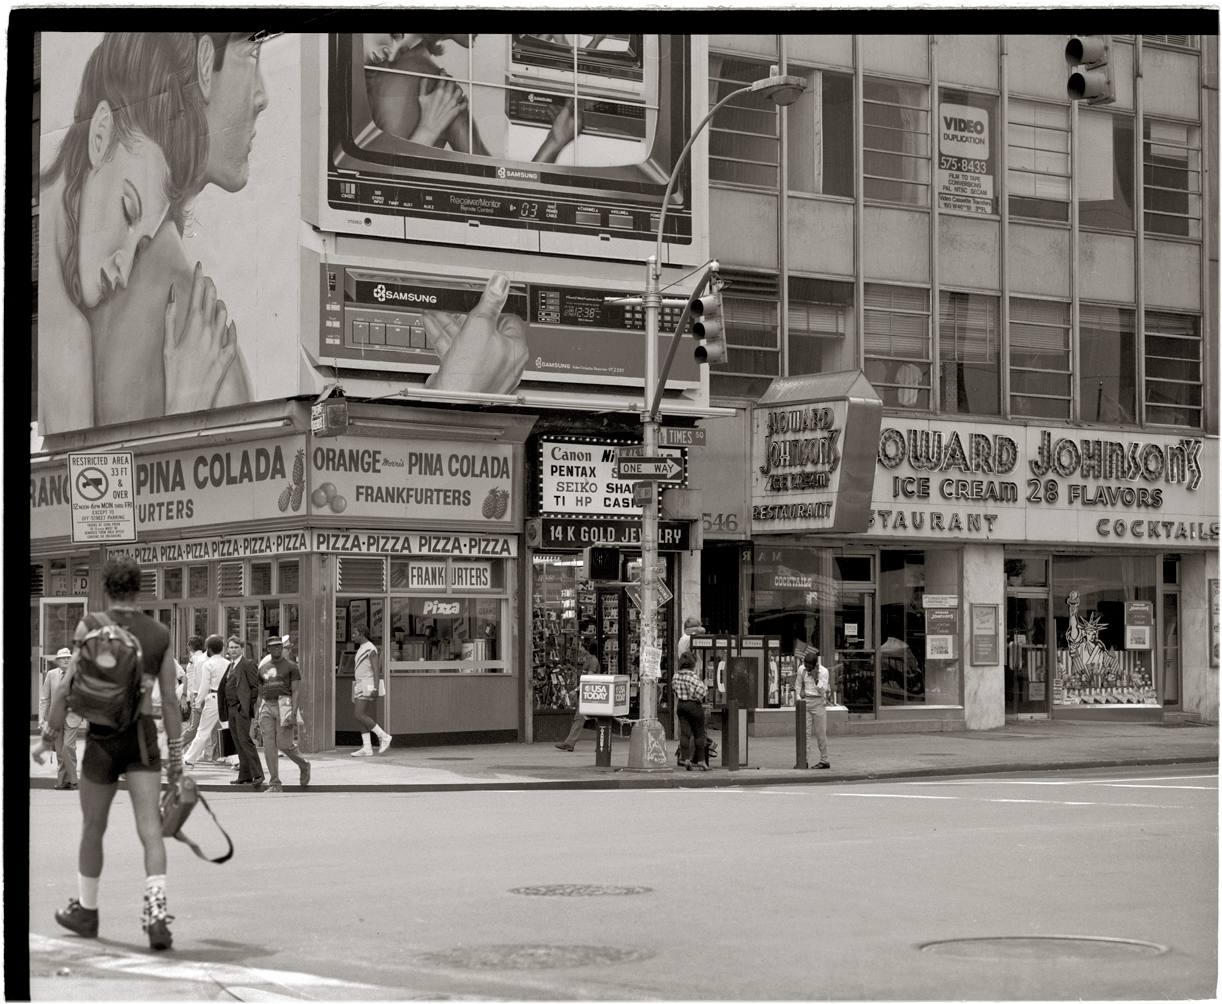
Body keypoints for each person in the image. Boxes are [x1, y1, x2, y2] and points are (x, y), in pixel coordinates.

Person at [83, 31, 267, 430]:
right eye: (253, 52)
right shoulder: (202, 340)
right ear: (204, 65)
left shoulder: (88, 294)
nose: (262, 97)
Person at [38, 32, 212, 434]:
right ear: (99, 135)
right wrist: (185, 409)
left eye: (141, 247)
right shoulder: (68, 342)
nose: (124, 270)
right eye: (127, 209)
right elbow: (90, 496)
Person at [30, 555, 183, 950]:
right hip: (141, 737)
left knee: (92, 828)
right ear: (139, 588)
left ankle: (87, 910)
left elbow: (65, 687)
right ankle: (155, 914)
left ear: (105, 590)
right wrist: (177, 760)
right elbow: (169, 702)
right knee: (151, 830)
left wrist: (48, 736)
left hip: (99, 739)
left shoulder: (90, 626)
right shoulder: (158, 633)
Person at [256, 636, 310, 792]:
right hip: (267, 706)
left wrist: (294, 713)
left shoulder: (292, 666)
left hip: (284, 705)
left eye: (280, 646)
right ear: (268, 649)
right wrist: (256, 716)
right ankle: (275, 783)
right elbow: (260, 694)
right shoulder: (263, 668)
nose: (277, 649)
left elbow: (296, 691)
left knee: (284, 744)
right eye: (273, 646)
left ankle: (304, 765)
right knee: (269, 746)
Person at [217, 636, 264, 786]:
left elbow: (255, 688)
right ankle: (244, 775)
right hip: (231, 710)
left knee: (245, 741)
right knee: (238, 743)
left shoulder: (248, 664)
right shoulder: (230, 666)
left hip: (240, 710)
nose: (233, 650)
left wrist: (247, 708)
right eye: (230, 647)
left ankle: (258, 774)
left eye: (236, 647)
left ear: (242, 649)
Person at [40, 648, 83, 790]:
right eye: (63, 658)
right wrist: (42, 718)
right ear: (57, 661)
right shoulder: (51, 675)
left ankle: (74, 781)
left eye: (68, 657)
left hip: (73, 717)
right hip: (56, 718)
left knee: (67, 747)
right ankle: (63, 782)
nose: (66, 659)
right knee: (59, 750)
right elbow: (45, 698)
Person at [182, 634, 227, 767]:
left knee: (202, 731)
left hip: (212, 698)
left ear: (209, 648)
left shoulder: (208, 663)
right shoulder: (228, 663)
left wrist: (198, 701)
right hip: (225, 699)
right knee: (228, 730)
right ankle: (237, 760)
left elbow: (204, 685)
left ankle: (190, 758)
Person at [350, 624, 392, 756]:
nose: (353, 636)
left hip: (366, 684)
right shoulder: (363, 648)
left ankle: (384, 736)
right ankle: (367, 747)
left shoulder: (370, 649)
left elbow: (376, 670)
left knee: (359, 714)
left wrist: (375, 687)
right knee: (360, 717)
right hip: (360, 684)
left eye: (355, 633)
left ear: (362, 633)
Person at [555, 638, 600, 752]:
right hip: (588, 694)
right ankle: (570, 743)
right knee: (581, 718)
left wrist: (576, 690)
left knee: (586, 719)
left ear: (587, 649)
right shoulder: (589, 660)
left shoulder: (593, 661)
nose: (580, 648)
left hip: (590, 695)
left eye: (582, 647)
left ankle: (600, 744)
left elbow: (589, 680)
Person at [671, 651, 710, 771]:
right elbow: (700, 693)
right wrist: (705, 684)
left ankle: (686, 759)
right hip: (693, 706)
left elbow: (674, 691)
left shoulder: (676, 676)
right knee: (699, 734)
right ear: (692, 663)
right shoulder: (692, 676)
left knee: (685, 734)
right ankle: (701, 761)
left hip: (681, 705)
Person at [795, 646, 832, 769]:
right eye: (806, 666)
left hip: (818, 702)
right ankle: (803, 761)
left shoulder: (824, 672)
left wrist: (816, 678)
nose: (807, 669)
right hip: (805, 702)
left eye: (809, 667)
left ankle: (825, 760)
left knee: (821, 733)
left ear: (815, 664)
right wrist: (799, 700)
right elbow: (798, 685)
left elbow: (823, 690)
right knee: (805, 734)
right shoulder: (802, 669)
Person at [179, 634, 206, 746]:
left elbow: (193, 679)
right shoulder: (204, 657)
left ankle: (175, 748)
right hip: (200, 695)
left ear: (190, 646)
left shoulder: (195, 659)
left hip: (195, 695)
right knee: (199, 726)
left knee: (193, 726)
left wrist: (188, 696)